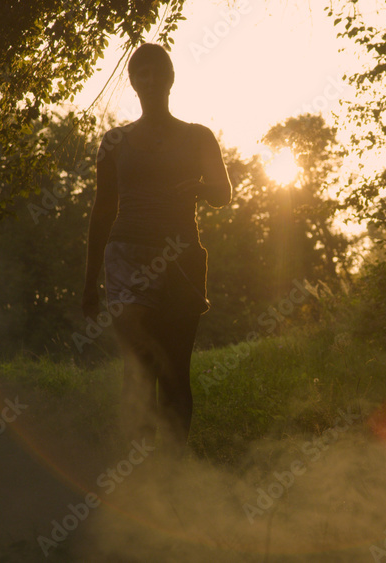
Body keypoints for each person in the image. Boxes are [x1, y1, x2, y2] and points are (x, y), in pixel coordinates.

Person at [81, 43, 232, 452]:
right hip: (126, 255)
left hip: (181, 257)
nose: (149, 80)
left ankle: (172, 469)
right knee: (138, 365)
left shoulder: (198, 136)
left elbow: (224, 193)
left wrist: (200, 187)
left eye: (156, 72)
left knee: (175, 372)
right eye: (140, 73)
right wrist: (88, 281)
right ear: (132, 83)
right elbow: (102, 209)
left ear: (170, 80)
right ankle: (136, 464)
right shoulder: (114, 141)